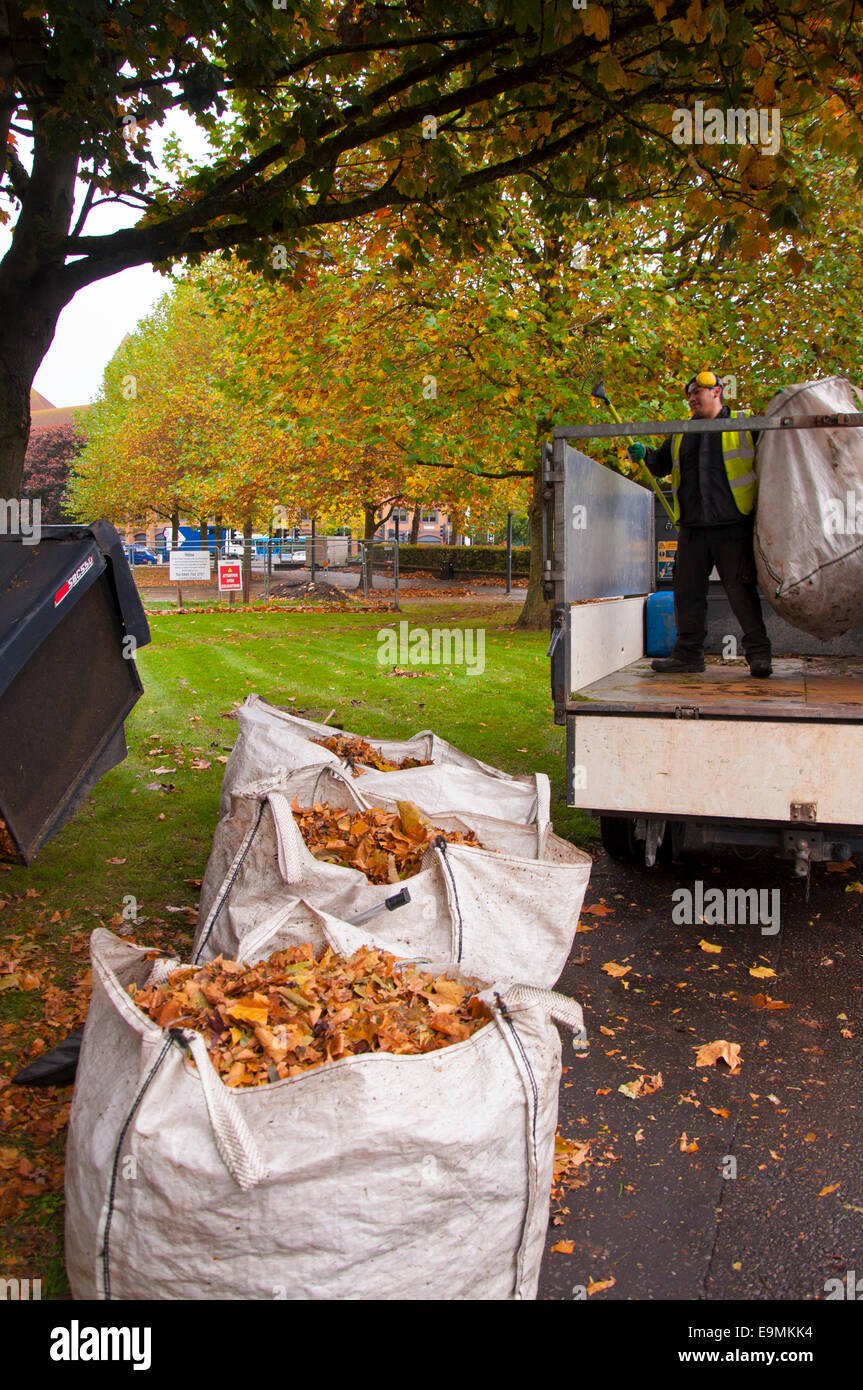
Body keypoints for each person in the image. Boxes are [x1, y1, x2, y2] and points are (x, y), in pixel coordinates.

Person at [628, 369, 772, 678]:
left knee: (740, 592)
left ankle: (759, 656)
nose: (692, 399)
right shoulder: (682, 432)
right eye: (689, 395)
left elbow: (775, 455)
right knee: (687, 593)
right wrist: (644, 455)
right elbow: (661, 463)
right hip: (693, 528)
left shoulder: (744, 425)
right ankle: (688, 656)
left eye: (698, 393)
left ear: (717, 392)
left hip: (732, 525)